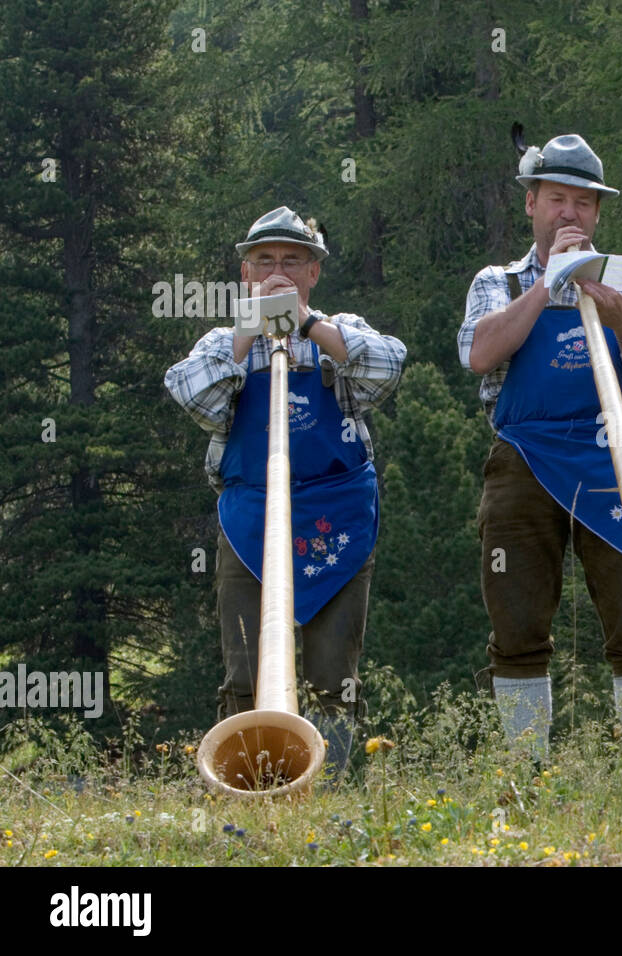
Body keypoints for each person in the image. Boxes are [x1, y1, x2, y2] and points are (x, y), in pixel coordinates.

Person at [165, 206, 406, 782]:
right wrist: (251, 330)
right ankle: (242, 791)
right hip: (251, 522)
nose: (278, 271)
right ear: (245, 273)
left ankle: (339, 793)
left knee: (334, 675)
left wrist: (306, 324)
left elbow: (389, 366)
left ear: (314, 272)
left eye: (292, 260)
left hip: (338, 519)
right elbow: (190, 394)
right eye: (264, 261)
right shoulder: (223, 342)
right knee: (243, 674)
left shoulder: (339, 329)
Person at [459, 134, 622, 762]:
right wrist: (547, 285)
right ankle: (529, 769)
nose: (570, 215)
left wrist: (621, 318)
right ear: (532, 205)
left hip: (615, 456)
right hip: (522, 460)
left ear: (598, 214)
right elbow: (480, 353)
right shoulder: (496, 280)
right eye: (557, 200)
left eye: (583, 203)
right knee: (517, 618)